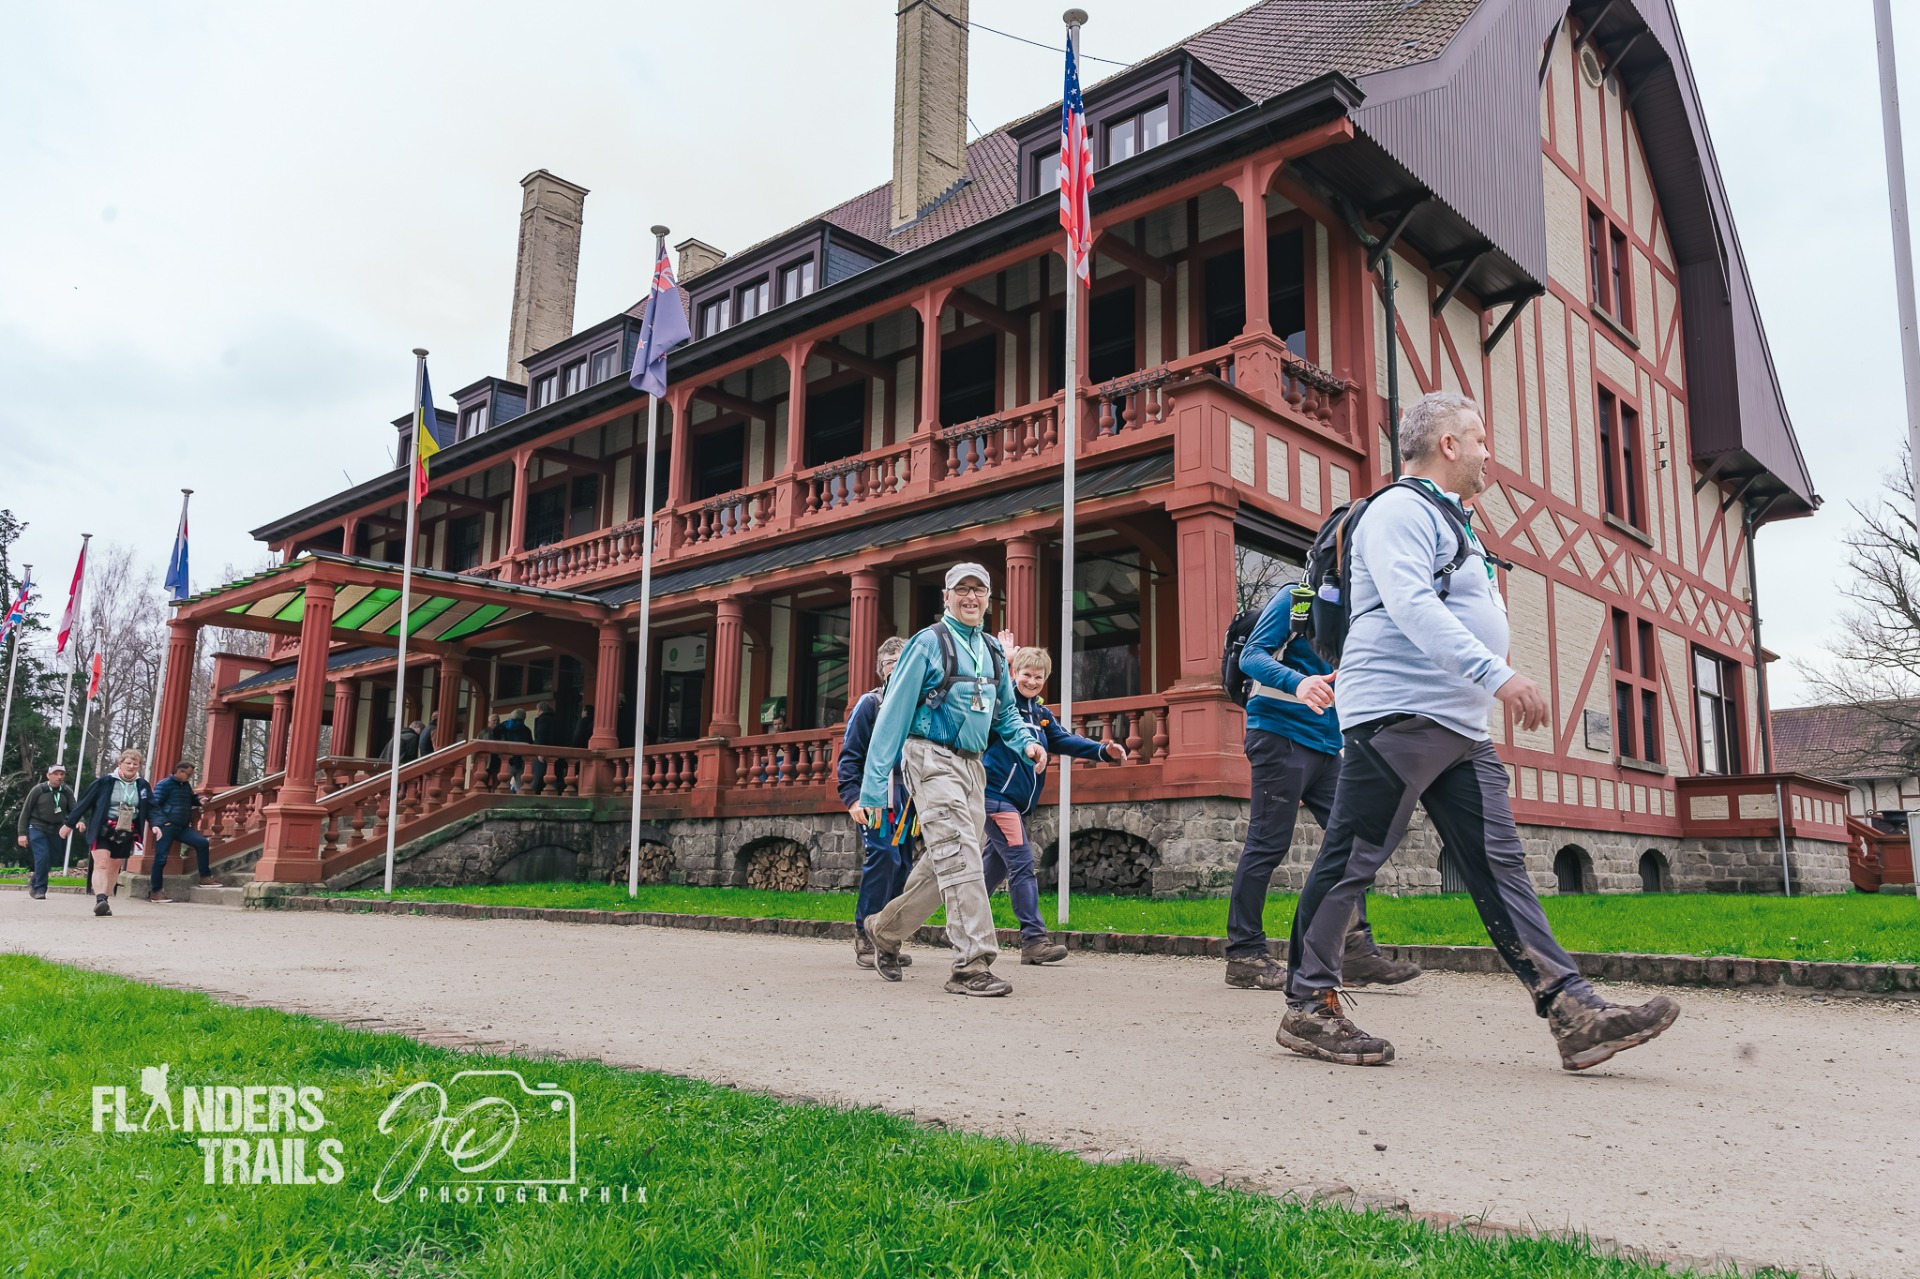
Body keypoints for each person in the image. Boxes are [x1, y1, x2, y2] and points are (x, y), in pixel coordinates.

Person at [1279, 391, 1679, 1071]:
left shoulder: (1452, 520)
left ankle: (1573, 1011)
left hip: (1458, 725)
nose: (1489, 453)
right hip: (1400, 714)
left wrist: (1488, 677)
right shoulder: (1400, 509)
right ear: (1449, 445)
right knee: (1352, 858)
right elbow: (1411, 604)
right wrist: (1498, 674)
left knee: (1500, 868)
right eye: (1481, 439)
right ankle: (1307, 1005)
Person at [853, 562, 1045, 996]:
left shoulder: (993, 650)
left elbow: (1005, 713)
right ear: (947, 597)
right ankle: (971, 964)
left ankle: (884, 930)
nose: (971, 597)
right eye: (962, 589)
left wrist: (1026, 744)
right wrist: (874, 787)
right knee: (960, 855)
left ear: (989, 599)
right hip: (930, 758)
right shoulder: (927, 644)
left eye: (979, 589)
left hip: (973, 765)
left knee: (950, 859)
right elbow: (892, 716)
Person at [1225, 585, 1421, 991]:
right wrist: (1297, 683)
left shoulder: (1360, 612)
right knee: (1268, 844)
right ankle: (1245, 954)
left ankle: (1354, 952)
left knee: (1352, 842)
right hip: (1279, 734)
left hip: (1328, 745)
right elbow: (1252, 656)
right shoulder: (1298, 597)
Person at [979, 645, 1125, 965]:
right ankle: (1034, 940)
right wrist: (1001, 659)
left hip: (1018, 806)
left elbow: (1066, 740)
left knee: (991, 871)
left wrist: (1103, 751)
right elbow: (983, 693)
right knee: (1022, 863)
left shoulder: (1041, 715)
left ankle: (963, 923)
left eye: (1039, 677)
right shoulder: (1001, 705)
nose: (1032, 682)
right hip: (995, 799)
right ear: (1014, 673)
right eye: (1026, 674)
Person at [837, 635, 915, 969]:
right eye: (890, 662)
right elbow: (850, 756)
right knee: (883, 857)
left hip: (910, 802)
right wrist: (853, 798)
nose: (896, 668)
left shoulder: (918, 707)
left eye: (903, 662)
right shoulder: (870, 704)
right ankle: (864, 935)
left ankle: (887, 939)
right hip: (876, 797)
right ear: (881, 669)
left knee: (903, 865)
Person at [61, 748, 154, 918]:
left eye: (135, 764)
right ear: (120, 763)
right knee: (101, 863)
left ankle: (106, 900)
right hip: (103, 828)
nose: (131, 766)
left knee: (114, 865)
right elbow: (84, 803)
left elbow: (152, 807)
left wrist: (157, 824)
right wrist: (69, 824)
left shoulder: (142, 785)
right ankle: (100, 899)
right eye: (128, 763)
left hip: (126, 830)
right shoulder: (105, 782)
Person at [146, 760, 213, 902]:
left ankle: (205, 877)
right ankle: (156, 892)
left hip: (182, 827)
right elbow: (154, 805)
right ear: (179, 771)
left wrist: (199, 800)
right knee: (161, 859)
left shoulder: (185, 785)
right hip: (166, 827)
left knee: (202, 843)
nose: (189, 777)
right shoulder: (164, 784)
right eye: (188, 774)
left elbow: (190, 798)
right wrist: (162, 822)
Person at [15, 763, 75, 900]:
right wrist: (22, 833)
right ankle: (39, 889)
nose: (59, 777)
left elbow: (74, 809)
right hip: (37, 827)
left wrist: (80, 821)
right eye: (56, 774)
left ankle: (34, 880)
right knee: (42, 856)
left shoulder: (66, 791)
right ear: (48, 775)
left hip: (57, 830)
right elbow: (25, 812)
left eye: (62, 774)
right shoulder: (39, 790)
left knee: (52, 858)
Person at [495, 708, 533, 790]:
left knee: (503, 785)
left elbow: (495, 738)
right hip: (521, 760)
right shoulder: (526, 730)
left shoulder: (503, 727)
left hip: (506, 759)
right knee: (521, 787)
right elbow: (530, 745)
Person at [531, 700, 562, 792]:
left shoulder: (542, 719)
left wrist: (540, 752)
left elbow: (541, 735)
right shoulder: (555, 719)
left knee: (537, 777)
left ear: (539, 709)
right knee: (552, 776)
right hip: (555, 752)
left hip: (544, 752)